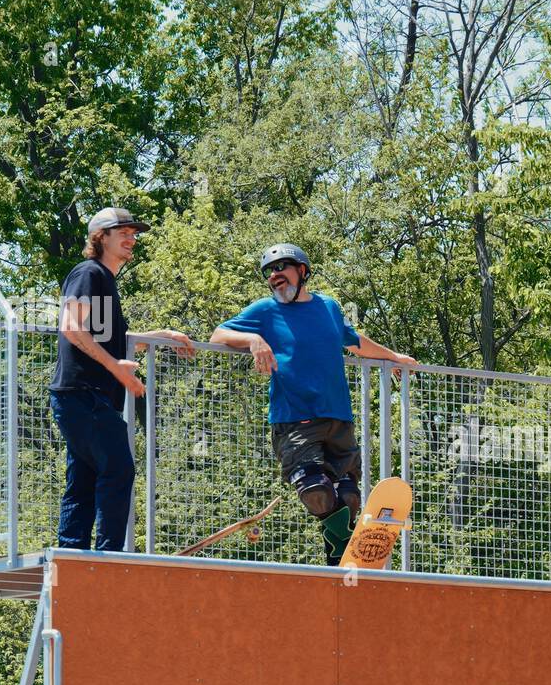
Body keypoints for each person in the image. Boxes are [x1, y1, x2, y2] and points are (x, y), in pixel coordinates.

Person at [210, 243, 417, 565]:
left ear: (303, 271)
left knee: (348, 495)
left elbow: (355, 342)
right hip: (295, 417)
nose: (275, 276)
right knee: (315, 490)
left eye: (282, 269)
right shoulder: (265, 310)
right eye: (270, 273)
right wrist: (253, 339)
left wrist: (393, 357)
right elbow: (218, 336)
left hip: (338, 416)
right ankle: (345, 545)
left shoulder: (329, 307)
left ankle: (339, 560)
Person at [48, 207, 195, 550]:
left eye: (134, 233)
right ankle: (108, 557)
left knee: (83, 480)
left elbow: (111, 338)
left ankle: (72, 557)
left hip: (85, 398)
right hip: (83, 394)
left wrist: (161, 336)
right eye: (123, 232)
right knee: (118, 468)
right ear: (101, 238)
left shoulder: (105, 281)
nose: (132, 239)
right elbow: (71, 327)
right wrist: (115, 366)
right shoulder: (89, 273)